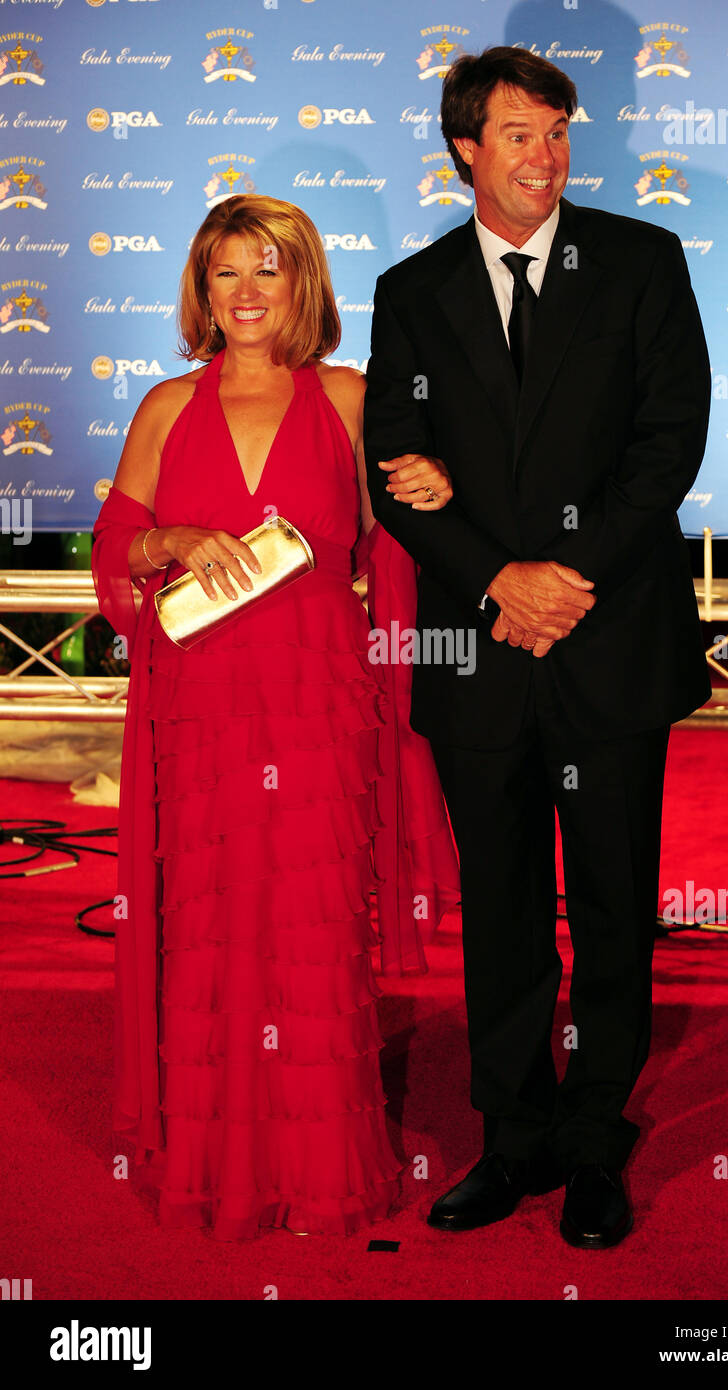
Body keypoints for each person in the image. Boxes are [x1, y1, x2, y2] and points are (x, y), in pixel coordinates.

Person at [364, 47, 711, 1248]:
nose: (545, 154)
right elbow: (397, 467)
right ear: (464, 147)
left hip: (609, 635)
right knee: (501, 908)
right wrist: (498, 577)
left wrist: (567, 577)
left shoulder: (640, 262)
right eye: (519, 133)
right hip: (480, 645)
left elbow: (669, 442)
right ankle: (512, 1139)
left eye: (557, 131)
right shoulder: (410, 291)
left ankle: (593, 1139)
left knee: (614, 906)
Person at [91, 194, 459, 1240]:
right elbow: (116, 558)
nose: (247, 293)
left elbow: (410, 533)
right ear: (199, 290)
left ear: (303, 284)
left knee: (312, 942)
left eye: (269, 269)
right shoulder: (165, 407)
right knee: (208, 937)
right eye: (225, 273)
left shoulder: (348, 398)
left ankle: (323, 1172)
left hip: (317, 706)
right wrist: (171, 544)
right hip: (200, 711)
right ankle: (219, 1169)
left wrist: (432, 484)